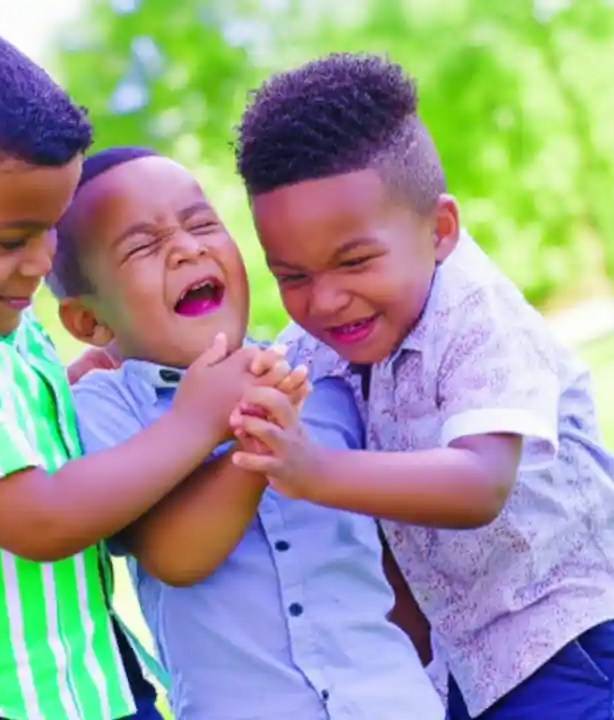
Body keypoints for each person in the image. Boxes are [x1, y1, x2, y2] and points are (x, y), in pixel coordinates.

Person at [0, 20, 300, 720]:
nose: (42, 259)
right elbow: (39, 519)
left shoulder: (4, 333)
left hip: (92, 686)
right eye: (11, 239)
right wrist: (196, 418)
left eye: (50, 227)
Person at [231, 52, 614, 718]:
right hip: (468, 665)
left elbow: (479, 484)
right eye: (291, 277)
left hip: (573, 634)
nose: (325, 300)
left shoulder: (477, 316)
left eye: (354, 261)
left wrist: (315, 469)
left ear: (439, 230)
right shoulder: (318, 349)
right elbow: (249, 376)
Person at [50, 146, 443, 719]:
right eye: (143, 245)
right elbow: (175, 555)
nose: (187, 248)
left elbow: (387, 565)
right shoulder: (104, 411)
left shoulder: (320, 377)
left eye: (202, 223)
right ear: (90, 320)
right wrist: (251, 434)